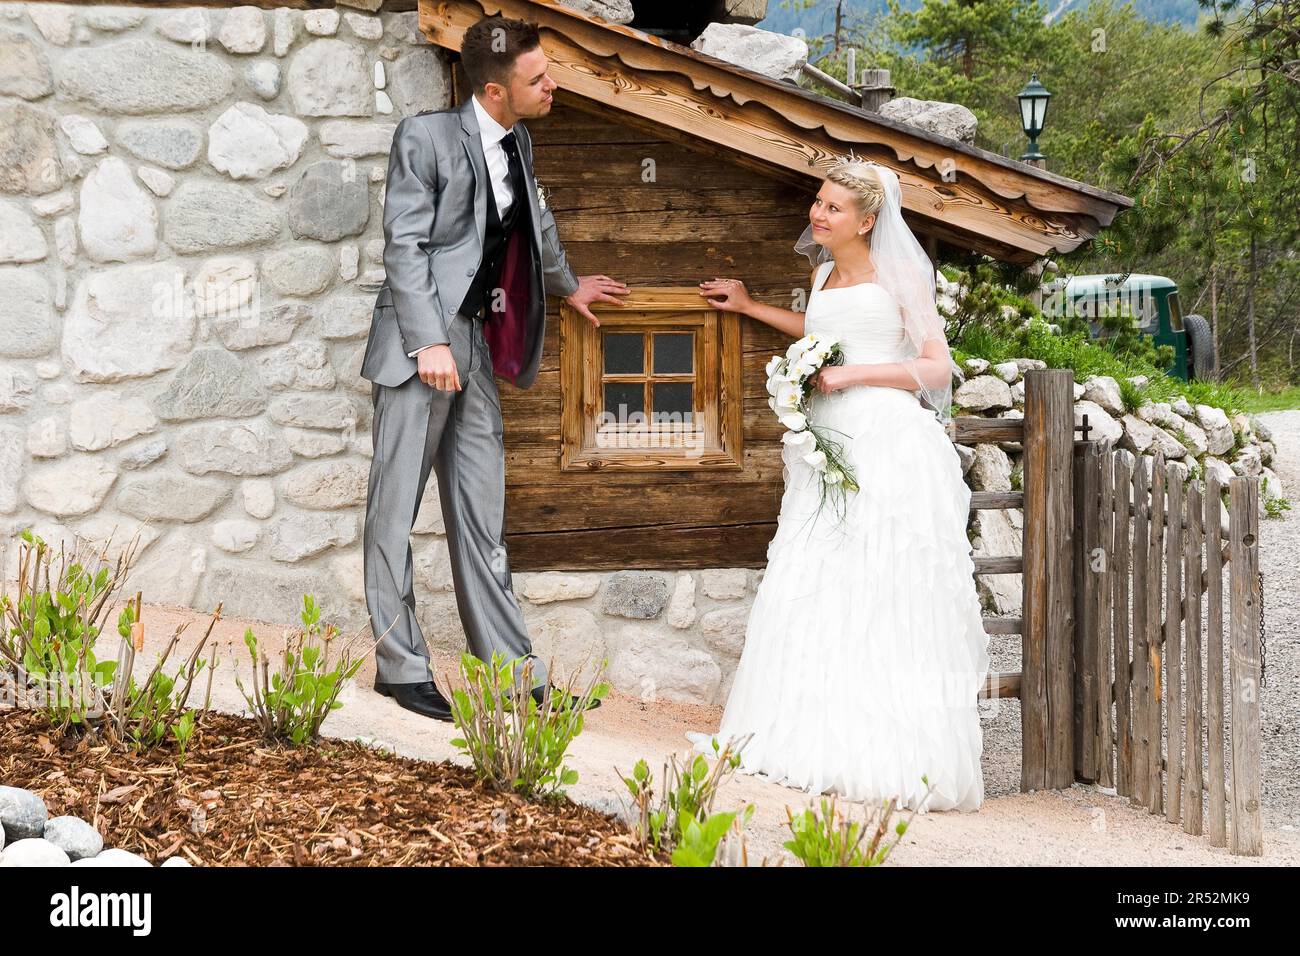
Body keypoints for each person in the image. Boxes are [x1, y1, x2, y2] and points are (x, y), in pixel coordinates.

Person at [687, 159, 991, 812]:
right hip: (826, 446)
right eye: (818, 203)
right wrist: (748, 306)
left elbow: (937, 368)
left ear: (868, 219)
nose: (817, 215)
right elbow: (825, 335)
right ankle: (803, 734)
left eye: (831, 208)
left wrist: (852, 379)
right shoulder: (823, 272)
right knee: (816, 580)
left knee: (878, 584)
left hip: (884, 444)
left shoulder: (903, 274)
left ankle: (885, 748)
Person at [361, 14, 628, 720]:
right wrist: (430, 343)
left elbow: (534, 227)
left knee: (482, 515)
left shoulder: (520, 141)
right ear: (494, 89)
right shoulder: (424, 138)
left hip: (475, 342)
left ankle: (513, 674)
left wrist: (569, 286)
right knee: (393, 511)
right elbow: (404, 246)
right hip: (422, 347)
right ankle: (400, 664)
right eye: (539, 78)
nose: (554, 86)